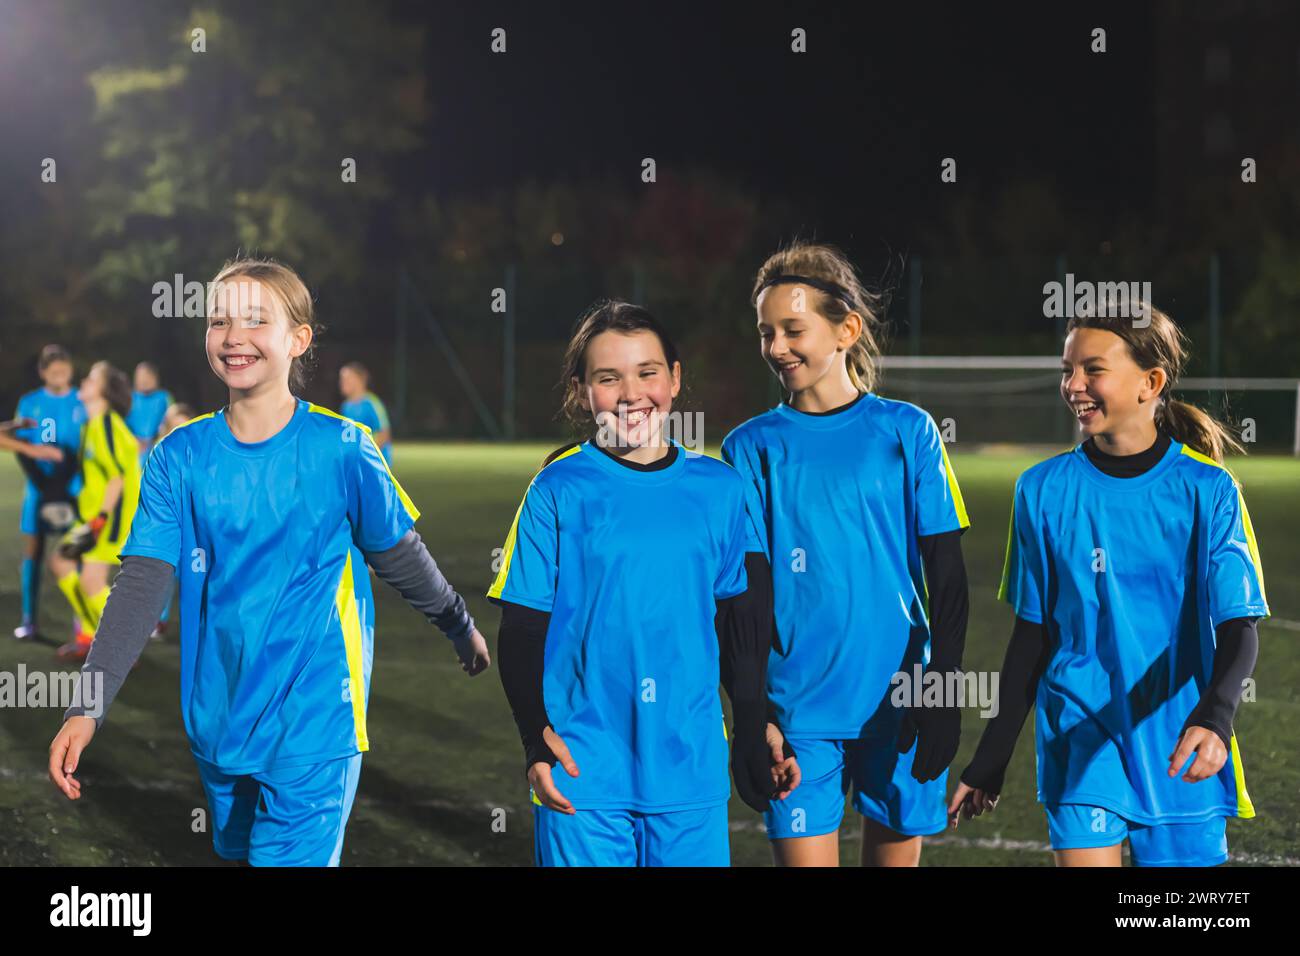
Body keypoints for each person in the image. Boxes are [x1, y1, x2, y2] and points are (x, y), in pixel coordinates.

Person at [49, 256, 490, 866]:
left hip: (316, 719)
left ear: (298, 339)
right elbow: (143, 582)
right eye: (219, 320)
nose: (233, 336)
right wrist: (87, 704)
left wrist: (457, 622)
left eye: (256, 320)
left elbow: (398, 554)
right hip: (217, 716)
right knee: (239, 854)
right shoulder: (177, 456)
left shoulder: (342, 449)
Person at [949, 301, 1267, 867]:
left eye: (1093, 369)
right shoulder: (1040, 491)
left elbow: (1239, 626)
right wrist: (991, 756)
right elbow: (1033, 634)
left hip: (1179, 741)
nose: (1074, 385)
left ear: (1151, 382)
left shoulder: (1209, 490)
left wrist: (1215, 718)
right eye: (1067, 370)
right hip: (1079, 733)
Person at [489, 299, 794, 867]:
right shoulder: (557, 487)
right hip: (582, 772)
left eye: (647, 372)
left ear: (674, 380)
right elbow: (523, 627)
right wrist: (535, 736)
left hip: (689, 769)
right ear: (583, 391)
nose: (631, 393)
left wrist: (757, 720)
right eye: (609, 378)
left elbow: (739, 625)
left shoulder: (720, 490)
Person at [723, 242, 970, 866]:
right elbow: (745, 598)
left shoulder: (908, 430)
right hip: (798, 711)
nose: (776, 346)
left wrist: (945, 685)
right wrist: (751, 712)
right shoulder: (749, 448)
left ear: (846, 330)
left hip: (903, 698)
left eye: (793, 329)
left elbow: (946, 574)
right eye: (765, 332)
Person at [48, 361, 141, 661]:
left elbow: (117, 477)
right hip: (93, 516)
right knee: (61, 562)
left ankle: (123, 644)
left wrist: (100, 520)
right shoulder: (93, 424)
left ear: (103, 391)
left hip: (108, 518)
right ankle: (90, 634)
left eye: (91, 378)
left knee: (89, 580)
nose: (84, 382)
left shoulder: (107, 425)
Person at [12, 345, 86, 641]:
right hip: (38, 488)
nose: (60, 375)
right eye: (53, 371)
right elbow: (14, 443)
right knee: (33, 551)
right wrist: (36, 462)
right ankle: (29, 619)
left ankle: (83, 622)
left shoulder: (83, 400)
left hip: (75, 489)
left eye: (64, 370)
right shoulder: (30, 403)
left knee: (78, 553)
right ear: (43, 372)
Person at [339, 362, 392, 464]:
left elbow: (384, 434)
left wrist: (365, 454)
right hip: (356, 464)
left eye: (347, 378)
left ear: (360, 380)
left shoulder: (372, 403)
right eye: (341, 379)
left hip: (375, 463)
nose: (342, 382)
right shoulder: (346, 406)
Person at [125, 361, 173, 464]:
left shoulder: (163, 398)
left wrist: (153, 440)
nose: (142, 380)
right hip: (134, 446)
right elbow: (124, 423)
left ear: (154, 377)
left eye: (145, 375)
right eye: (138, 376)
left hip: (157, 445)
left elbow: (170, 421)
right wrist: (134, 440)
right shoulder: (130, 399)